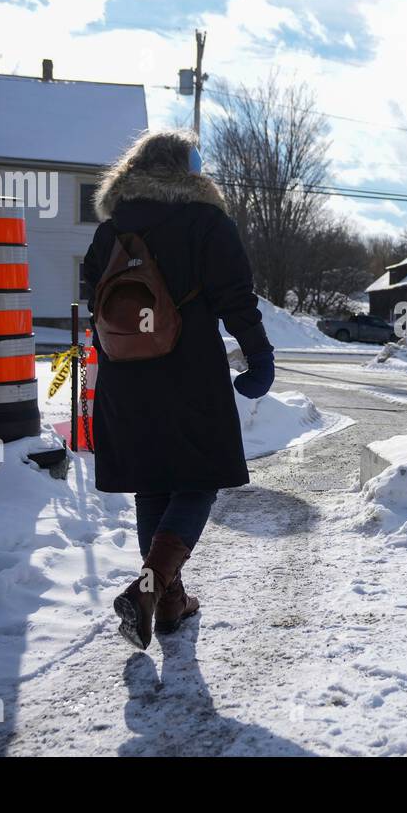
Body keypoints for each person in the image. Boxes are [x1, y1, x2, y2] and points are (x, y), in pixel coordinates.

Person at [82, 130, 274, 650]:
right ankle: (149, 591)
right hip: (189, 372)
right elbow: (236, 299)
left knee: (153, 486)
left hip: (125, 375)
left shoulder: (110, 231)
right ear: (187, 171)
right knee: (196, 481)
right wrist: (259, 357)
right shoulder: (206, 223)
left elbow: (92, 298)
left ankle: (166, 601)